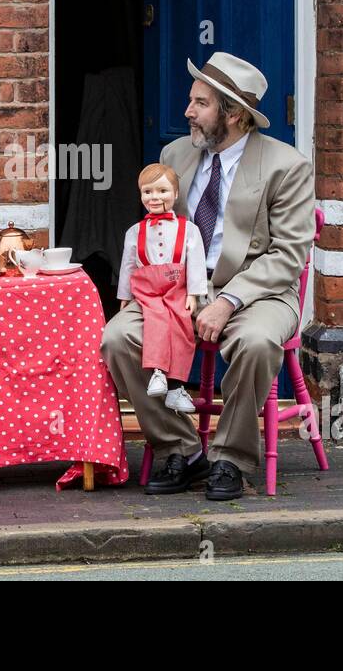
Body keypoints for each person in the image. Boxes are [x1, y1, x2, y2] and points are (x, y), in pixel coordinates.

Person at [100, 51, 315, 501]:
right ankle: (181, 447)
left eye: (200, 103)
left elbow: (289, 254)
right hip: (178, 291)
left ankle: (230, 458)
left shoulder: (286, 165)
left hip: (259, 291)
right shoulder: (175, 154)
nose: (187, 112)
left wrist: (227, 300)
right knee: (118, 338)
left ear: (233, 114)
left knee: (256, 343)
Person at [115, 164, 207, 414]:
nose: (154, 197)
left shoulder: (189, 229)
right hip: (148, 289)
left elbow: (196, 262)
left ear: (176, 194)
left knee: (181, 326)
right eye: (147, 192)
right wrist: (124, 296)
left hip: (177, 287)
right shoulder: (135, 232)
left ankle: (176, 386)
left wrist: (193, 293)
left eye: (162, 191)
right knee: (156, 321)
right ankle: (158, 373)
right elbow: (128, 264)